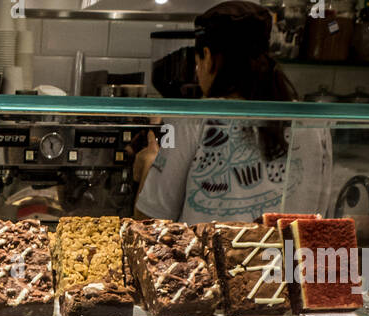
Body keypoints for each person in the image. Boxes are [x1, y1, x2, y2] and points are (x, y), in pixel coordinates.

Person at [133, 0, 332, 223]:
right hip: (287, 258)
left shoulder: (190, 120)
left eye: (197, 62)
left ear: (207, 58)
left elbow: (149, 221)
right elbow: (319, 216)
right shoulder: (314, 125)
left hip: (206, 258)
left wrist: (151, 162)